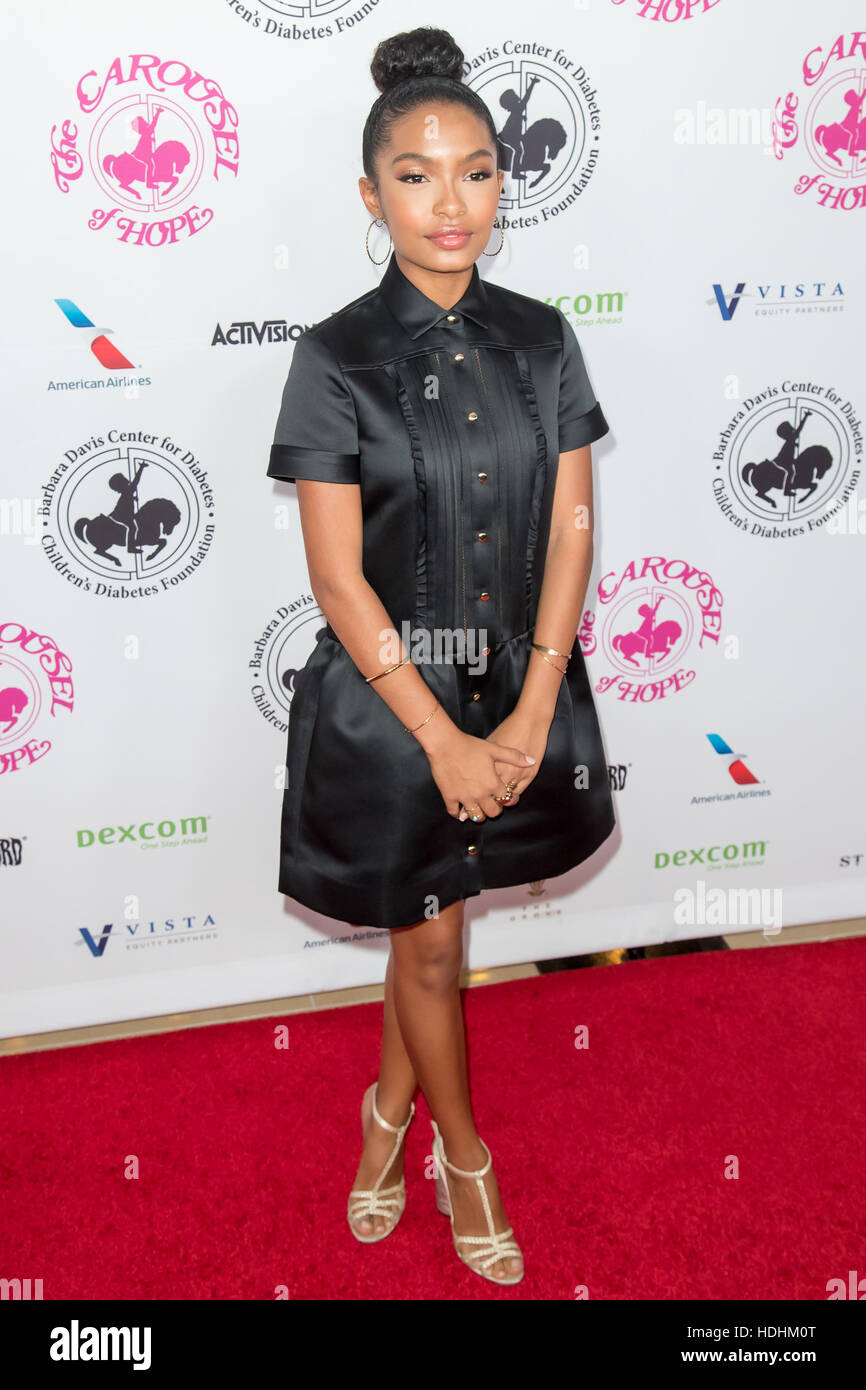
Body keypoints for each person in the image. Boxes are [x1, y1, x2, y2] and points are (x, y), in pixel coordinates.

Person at [267, 25, 616, 1288]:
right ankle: (460, 1154)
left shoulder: (543, 337)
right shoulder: (332, 356)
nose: (448, 199)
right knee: (428, 942)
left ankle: (380, 1111)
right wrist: (446, 738)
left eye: (474, 169)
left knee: (436, 938)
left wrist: (526, 716)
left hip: (520, 696)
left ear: (502, 184)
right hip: (394, 707)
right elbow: (334, 575)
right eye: (414, 175)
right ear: (371, 197)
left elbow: (572, 529)